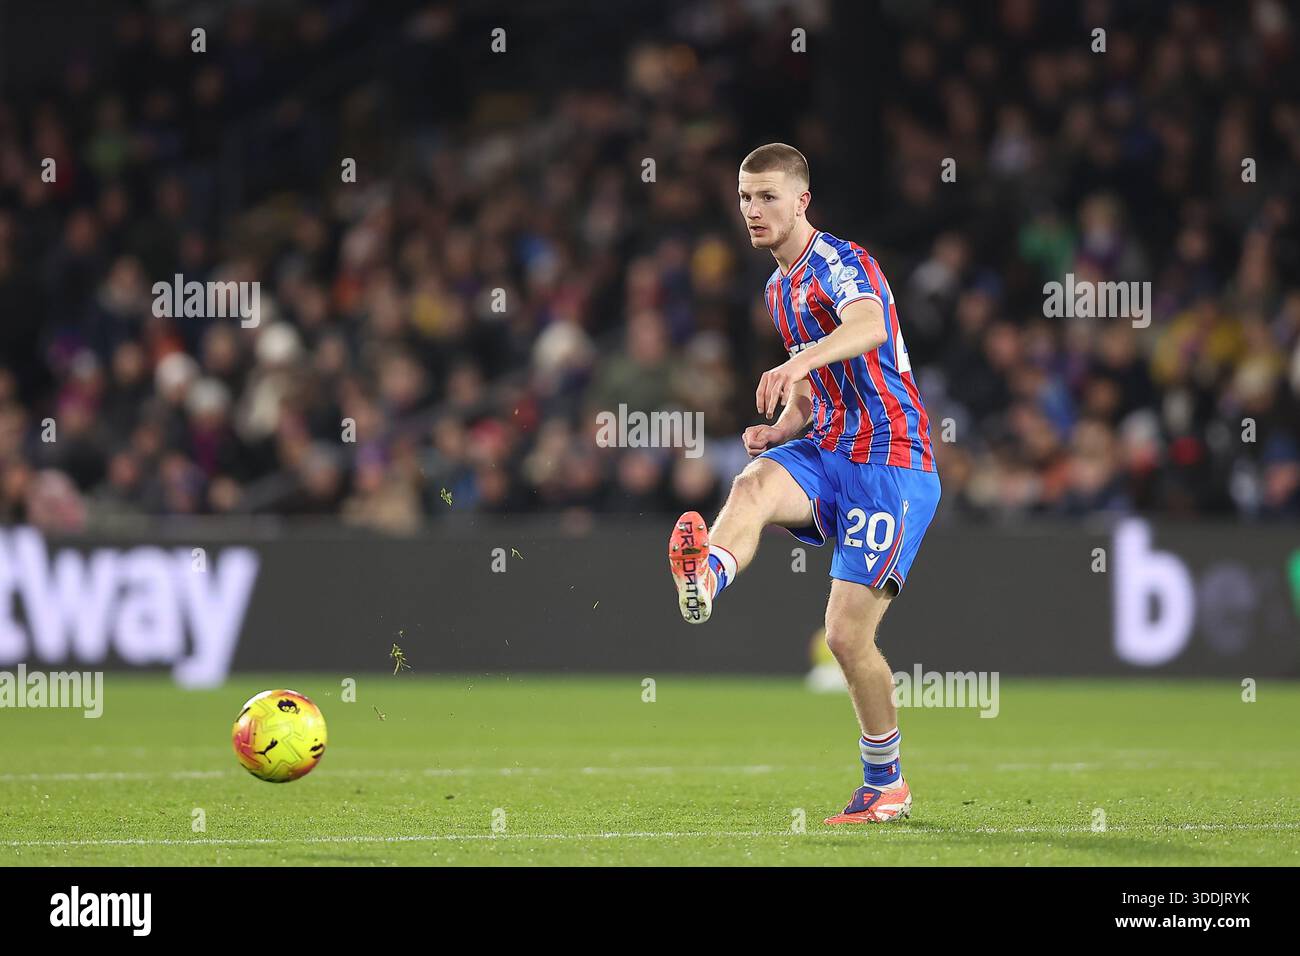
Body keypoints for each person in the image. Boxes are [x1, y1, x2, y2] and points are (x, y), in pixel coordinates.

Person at [668, 143, 940, 824]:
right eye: (744, 197)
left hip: (891, 461)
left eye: (767, 196)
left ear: (801, 201)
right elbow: (815, 386)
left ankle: (887, 784)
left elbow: (869, 326)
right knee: (753, 480)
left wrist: (797, 365)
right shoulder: (775, 287)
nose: (753, 210)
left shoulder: (843, 263)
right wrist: (784, 424)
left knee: (847, 637)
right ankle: (704, 582)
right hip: (828, 449)